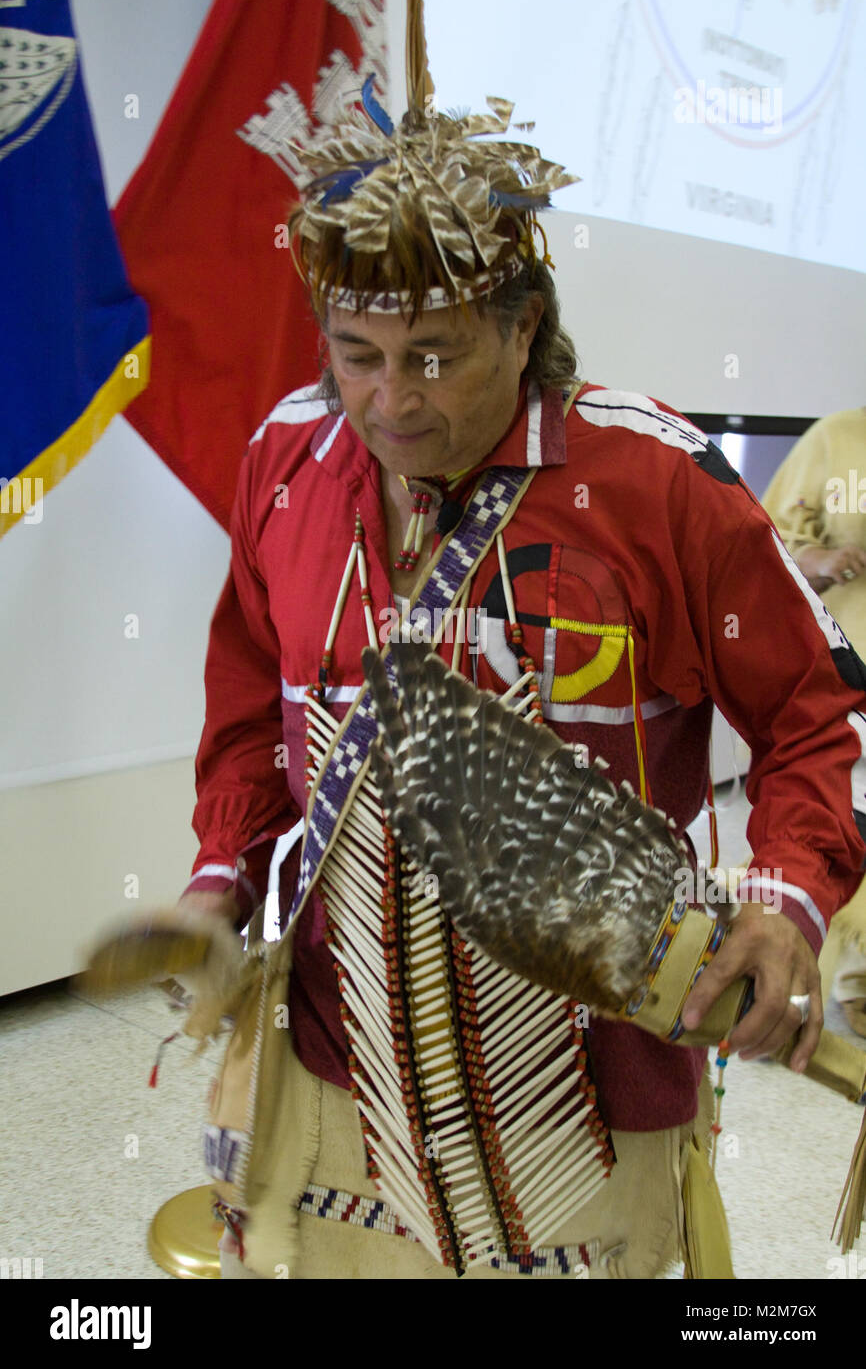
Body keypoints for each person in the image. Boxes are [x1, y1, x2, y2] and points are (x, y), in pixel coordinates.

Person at [179, 88, 866, 1280]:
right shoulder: (285, 461)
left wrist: (787, 894)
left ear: (522, 323)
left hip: (587, 1087)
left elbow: (819, 713)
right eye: (357, 356)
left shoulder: (657, 485)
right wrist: (217, 876)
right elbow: (249, 702)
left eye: (433, 358)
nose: (389, 401)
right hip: (335, 1061)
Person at [762, 409, 866, 1038]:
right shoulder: (838, 438)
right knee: (838, 824)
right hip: (849, 676)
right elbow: (766, 538)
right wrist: (823, 558)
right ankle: (825, 982)